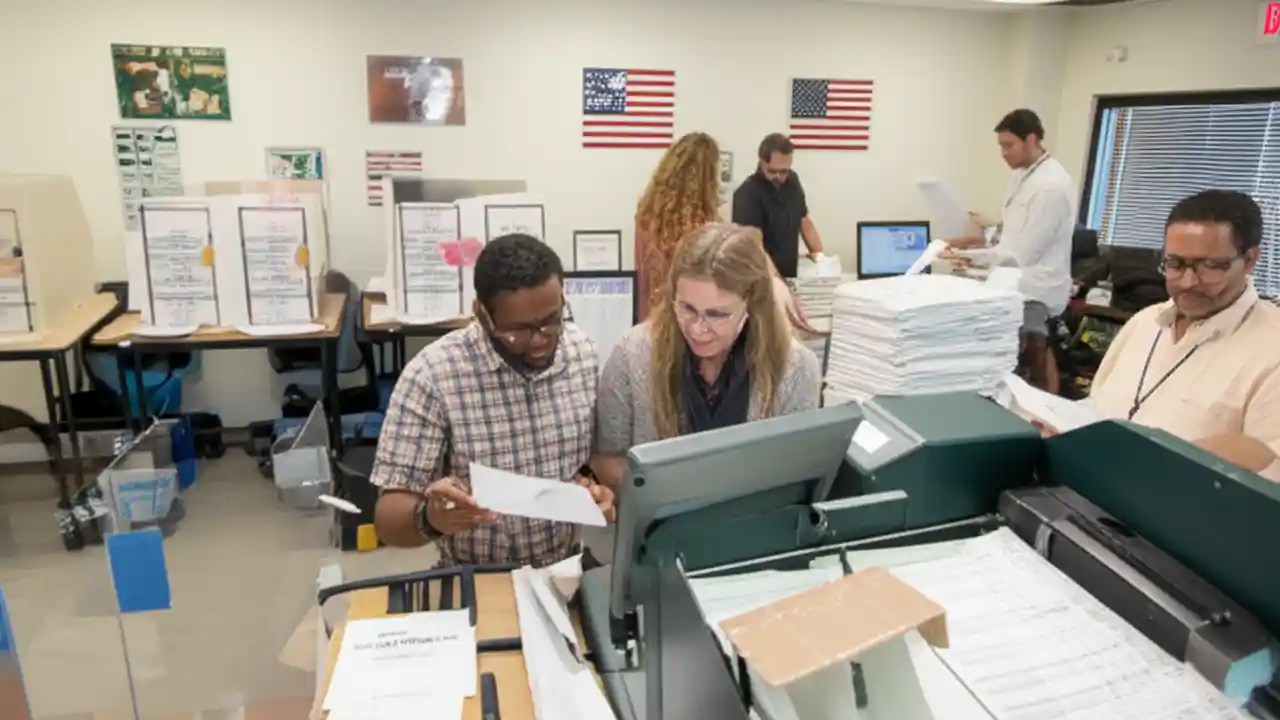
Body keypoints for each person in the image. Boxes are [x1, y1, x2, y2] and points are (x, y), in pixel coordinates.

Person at [370, 234, 616, 567]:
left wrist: (592, 487)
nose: (540, 341)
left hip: (565, 569)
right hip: (478, 576)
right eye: (518, 331)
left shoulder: (580, 353)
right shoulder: (433, 376)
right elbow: (388, 519)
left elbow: (590, 463)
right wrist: (430, 519)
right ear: (482, 314)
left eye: (551, 321)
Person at [593, 223, 823, 488]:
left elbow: (796, 473)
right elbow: (607, 459)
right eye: (687, 308)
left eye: (717, 315)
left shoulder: (795, 368)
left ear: (752, 306)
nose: (697, 329)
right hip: (660, 524)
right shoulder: (631, 354)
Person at [1086, 190, 1279, 482]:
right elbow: (1093, 409)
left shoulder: (1271, 348)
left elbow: (1268, 486)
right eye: (1175, 264)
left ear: (1250, 259)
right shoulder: (1145, 323)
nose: (1188, 283)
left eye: (1210, 267)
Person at [946, 109, 1074, 391]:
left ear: (1031, 140)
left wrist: (970, 257)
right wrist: (979, 243)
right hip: (1012, 280)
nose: (1003, 153)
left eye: (1008, 146)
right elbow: (1012, 234)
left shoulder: (1051, 185)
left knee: (1034, 358)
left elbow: (1023, 253)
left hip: (1036, 289)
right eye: (1001, 147)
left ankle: (1044, 414)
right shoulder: (1020, 175)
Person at [634, 132, 722, 321]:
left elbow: (642, 281)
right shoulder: (706, 229)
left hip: (651, 319)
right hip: (690, 323)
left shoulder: (647, 217)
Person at [732, 133, 825, 279]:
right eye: (773, 171)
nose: (779, 177)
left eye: (784, 171)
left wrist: (821, 262)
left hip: (789, 274)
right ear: (762, 162)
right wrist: (776, 282)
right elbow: (754, 247)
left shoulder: (792, 181)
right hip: (761, 278)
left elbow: (804, 222)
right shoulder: (747, 193)